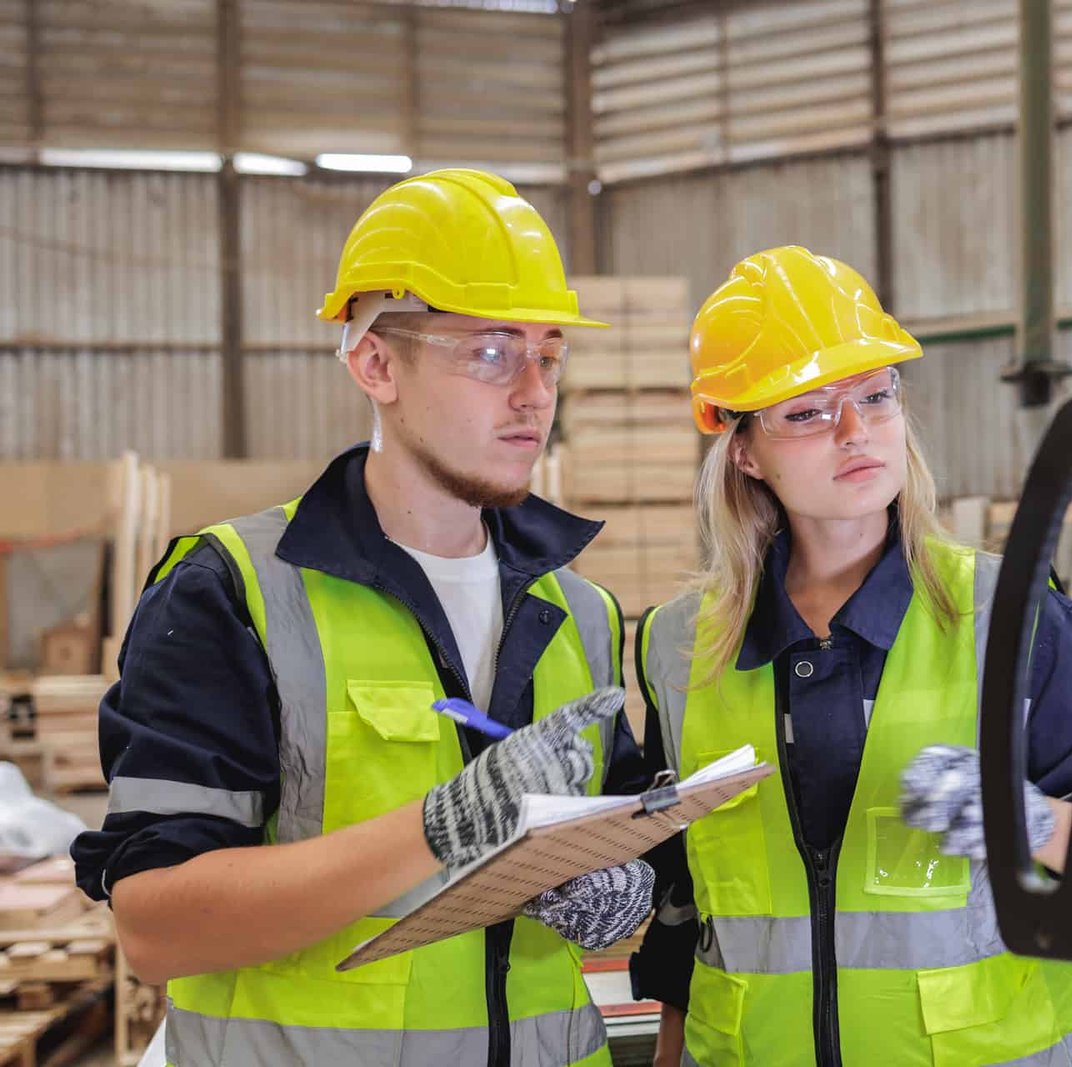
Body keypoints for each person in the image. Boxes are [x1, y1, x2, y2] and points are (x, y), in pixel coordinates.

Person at [71, 169, 655, 1067]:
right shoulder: (235, 591)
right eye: (492, 352)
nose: (536, 393)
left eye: (549, 353)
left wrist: (615, 888)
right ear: (375, 362)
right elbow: (157, 926)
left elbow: (610, 851)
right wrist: (436, 830)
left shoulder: (579, 611)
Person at [628, 245, 1072, 1066]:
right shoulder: (679, 644)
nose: (856, 431)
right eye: (808, 412)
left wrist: (1030, 823)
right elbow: (685, 889)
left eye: (876, 396)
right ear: (744, 449)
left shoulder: (1015, 617)